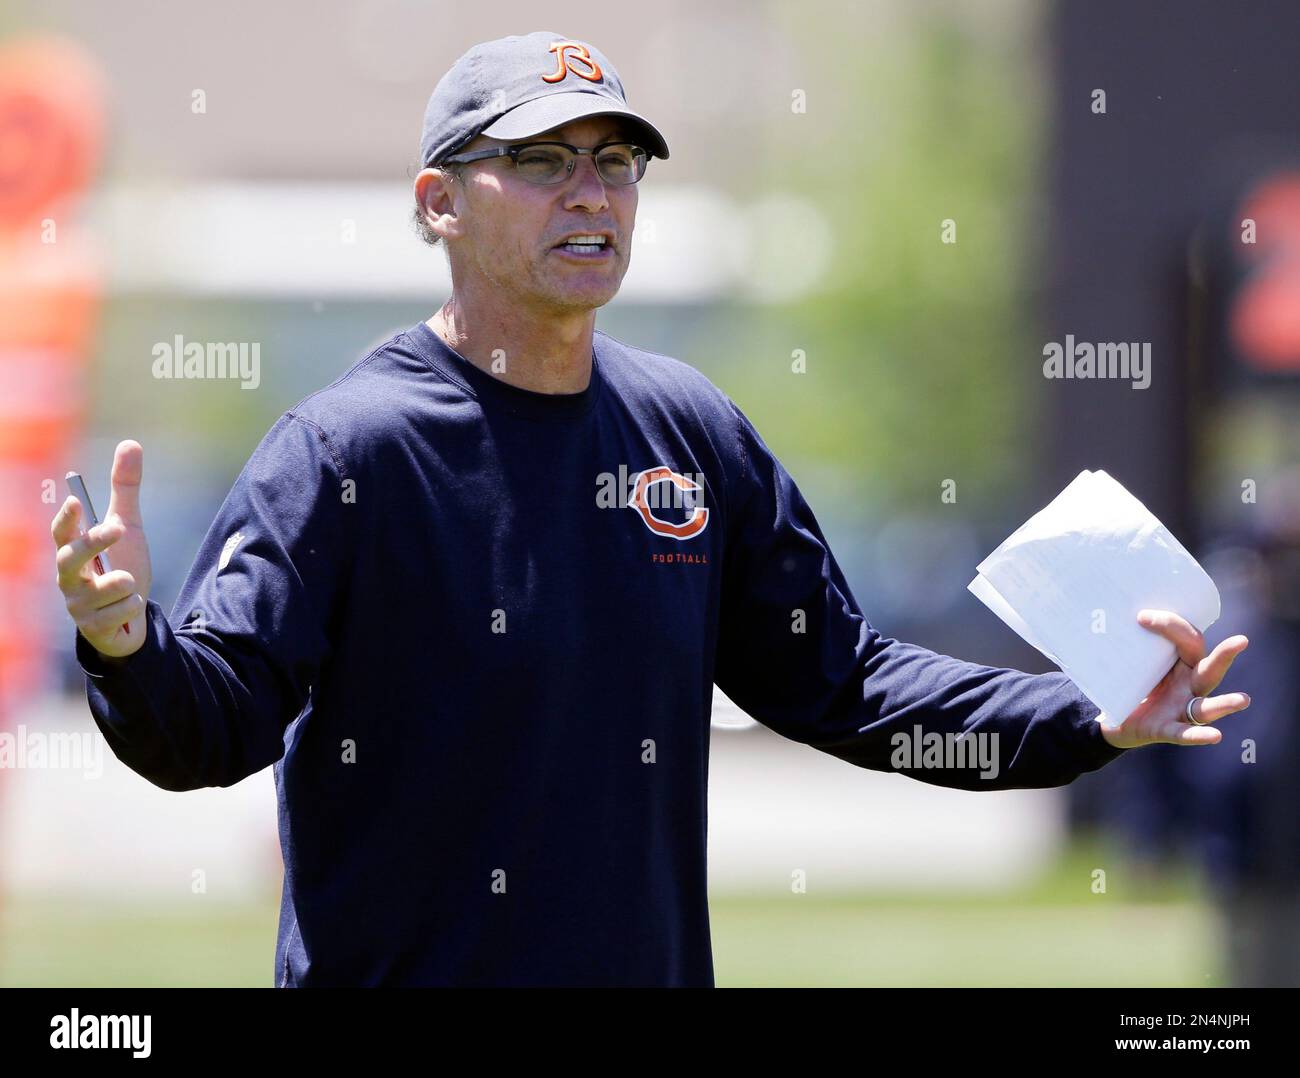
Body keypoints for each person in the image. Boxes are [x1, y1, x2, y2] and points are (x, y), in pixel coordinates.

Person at [50, 30, 1251, 987]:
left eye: (615, 161)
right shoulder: (345, 450)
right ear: (436, 202)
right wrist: (123, 639)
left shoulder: (691, 432)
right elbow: (211, 729)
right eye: (541, 160)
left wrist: (1084, 717)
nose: (592, 194)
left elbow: (847, 685)